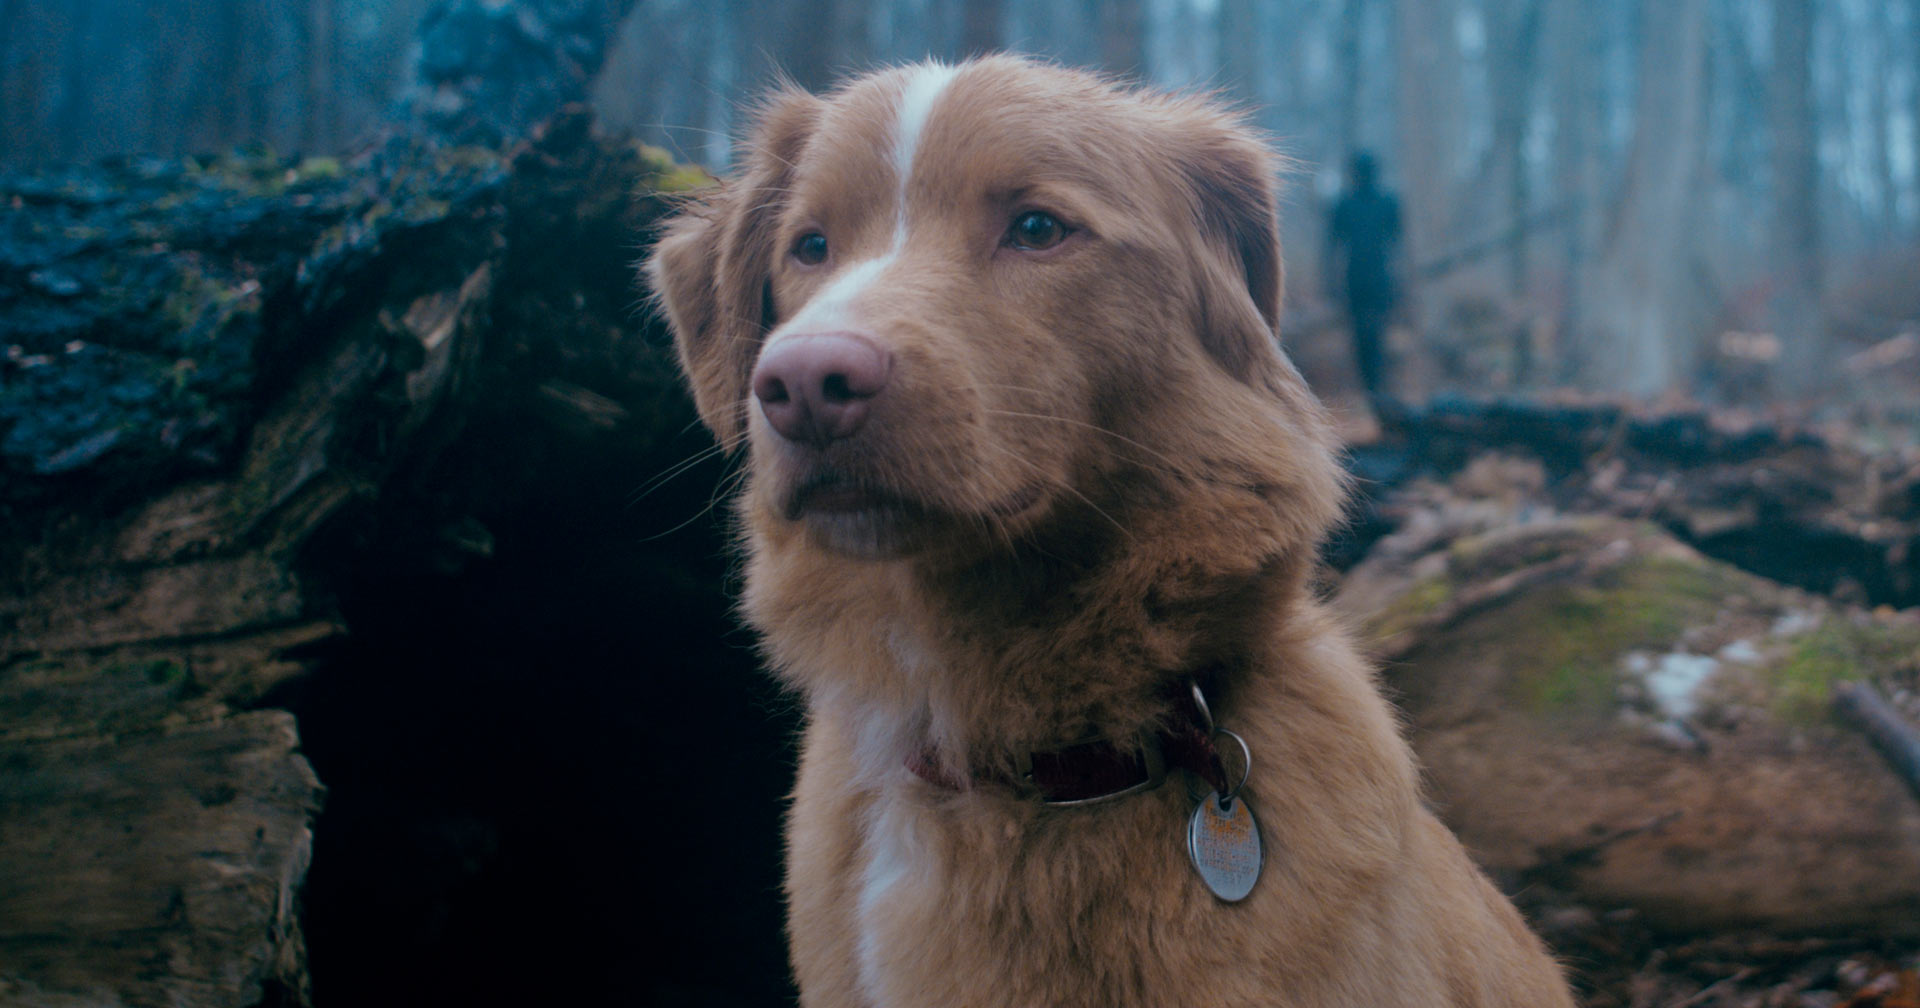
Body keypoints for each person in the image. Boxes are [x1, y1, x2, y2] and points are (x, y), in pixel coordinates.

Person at [1324, 150, 1403, 411]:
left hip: (1370, 279)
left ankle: (1375, 390)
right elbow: (1332, 247)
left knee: (1372, 335)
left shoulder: (1382, 203)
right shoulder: (1348, 205)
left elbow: (1397, 245)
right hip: (1367, 279)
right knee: (1366, 335)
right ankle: (1372, 390)